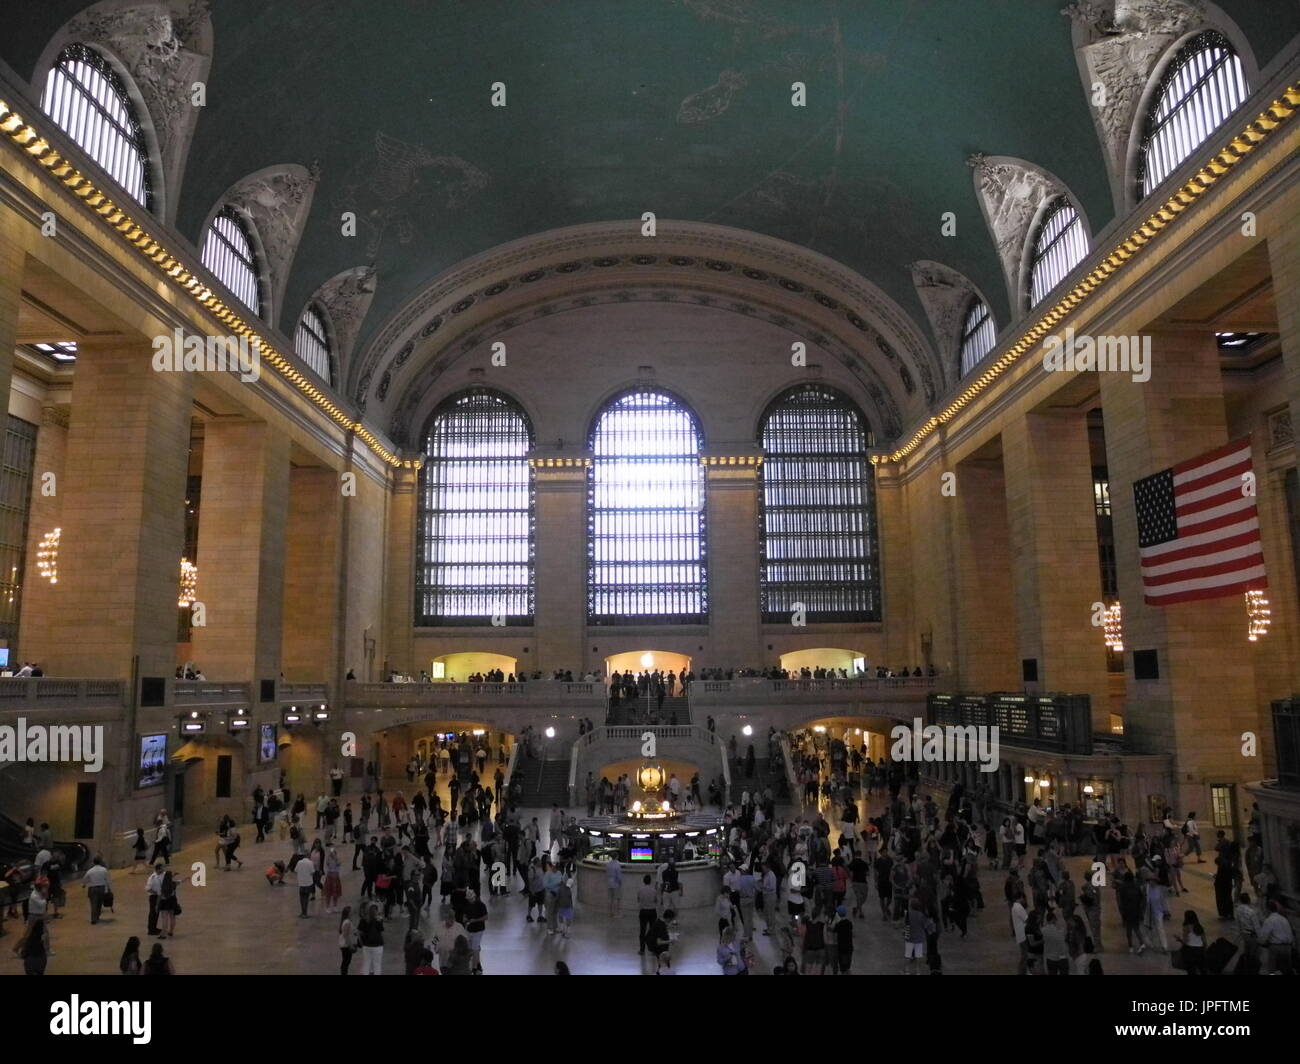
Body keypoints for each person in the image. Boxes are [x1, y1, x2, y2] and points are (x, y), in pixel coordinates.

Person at [1175, 910, 1207, 974]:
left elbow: (1185, 942)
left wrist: (1179, 939)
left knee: (1191, 969)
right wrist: (1204, 949)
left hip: (1190, 951)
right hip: (1200, 950)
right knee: (1202, 968)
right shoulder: (1200, 927)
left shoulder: (1186, 927)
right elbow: (1204, 940)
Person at [82, 855, 111, 924]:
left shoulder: (90, 871)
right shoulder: (104, 870)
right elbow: (107, 880)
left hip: (92, 889)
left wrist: (84, 884)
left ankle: (93, 919)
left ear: (93, 862)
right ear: (100, 862)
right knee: (99, 903)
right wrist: (108, 889)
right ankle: (97, 915)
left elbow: (85, 879)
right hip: (101, 888)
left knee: (93, 904)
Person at [358, 903, 385, 975]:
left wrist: (361, 942)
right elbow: (381, 932)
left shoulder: (363, 920)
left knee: (366, 964)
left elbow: (360, 933)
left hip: (366, 945)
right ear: (376, 911)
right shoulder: (379, 920)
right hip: (377, 945)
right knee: (377, 965)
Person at [636, 873, 658, 955]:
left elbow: (638, 899)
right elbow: (656, 901)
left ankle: (642, 950)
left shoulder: (640, 889)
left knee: (642, 931)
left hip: (643, 911)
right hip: (652, 911)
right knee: (653, 931)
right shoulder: (653, 890)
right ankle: (653, 949)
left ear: (643, 881)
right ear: (650, 881)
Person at [647, 908, 674, 973]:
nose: (671, 921)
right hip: (656, 946)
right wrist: (670, 941)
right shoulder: (661, 926)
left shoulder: (659, 921)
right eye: (671, 920)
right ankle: (664, 966)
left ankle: (663, 964)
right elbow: (659, 942)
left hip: (651, 943)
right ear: (668, 918)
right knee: (668, 956)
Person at [156, 870, 181, 938]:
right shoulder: (173, 884)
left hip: (164, 903)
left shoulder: (162, 885)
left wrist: (157, 905)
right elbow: (180, 881)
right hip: (172, 902)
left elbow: (159, 896)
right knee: (172, 917)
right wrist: (187, 878)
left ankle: (163, 934)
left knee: (164, 919)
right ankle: (171, 931)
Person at [338, 905, 358, 975]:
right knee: (346, 962)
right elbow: (346, 936)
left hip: (345, 945)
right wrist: (351, 946)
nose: (352, 913)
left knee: (346, 961)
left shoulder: (347, 921)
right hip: (346, 945)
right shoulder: (347, 922)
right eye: (351, 912)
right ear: (348, 913)